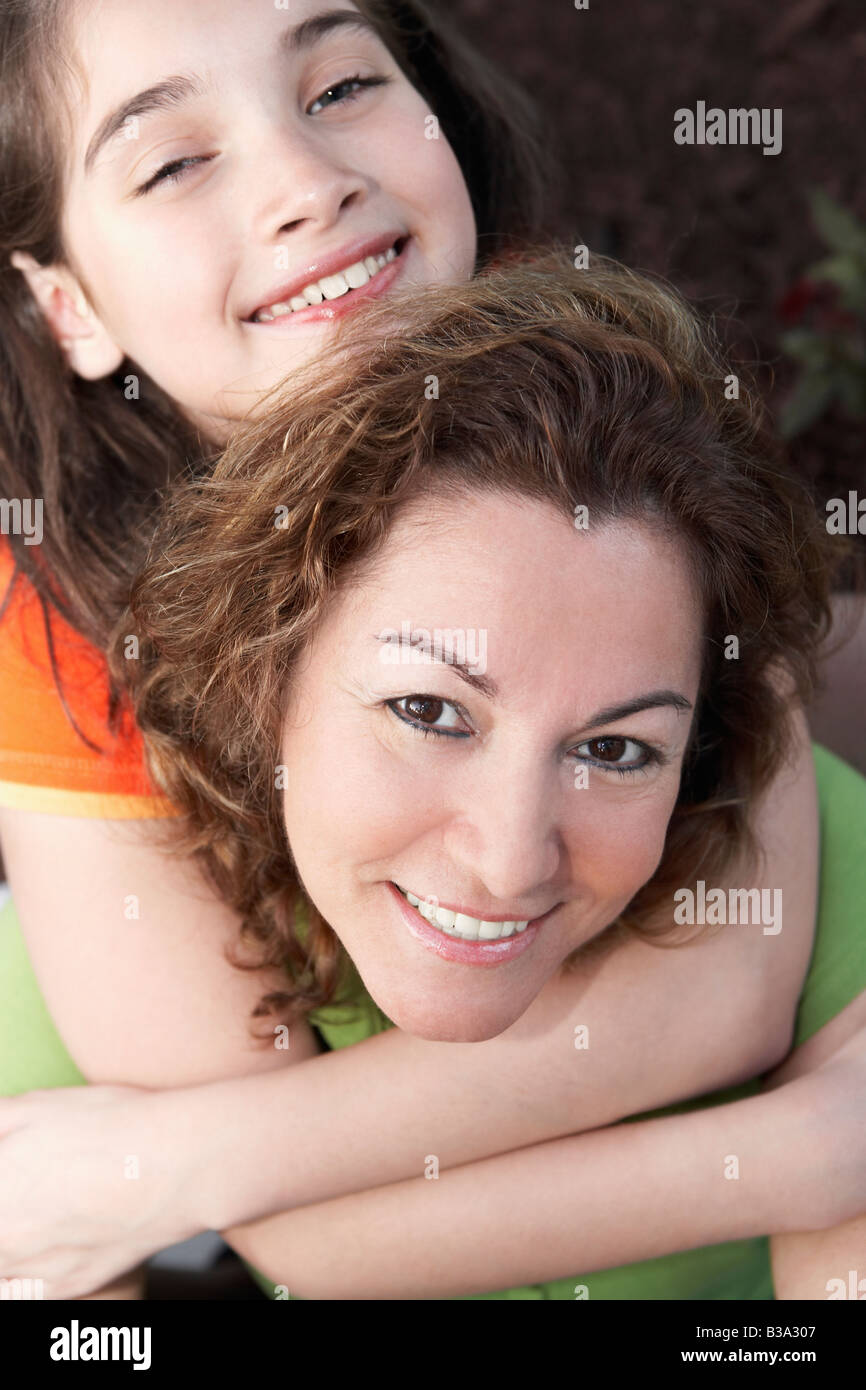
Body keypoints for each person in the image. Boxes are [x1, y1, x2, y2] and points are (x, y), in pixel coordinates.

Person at [0, 1, 856, 1299]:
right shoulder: (55, 631)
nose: (308, 182)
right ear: (67, 306)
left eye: (341, 86)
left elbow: (724, 984)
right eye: (174, 160)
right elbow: (302, 1232)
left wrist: (157, 1167)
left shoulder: (586, 395)